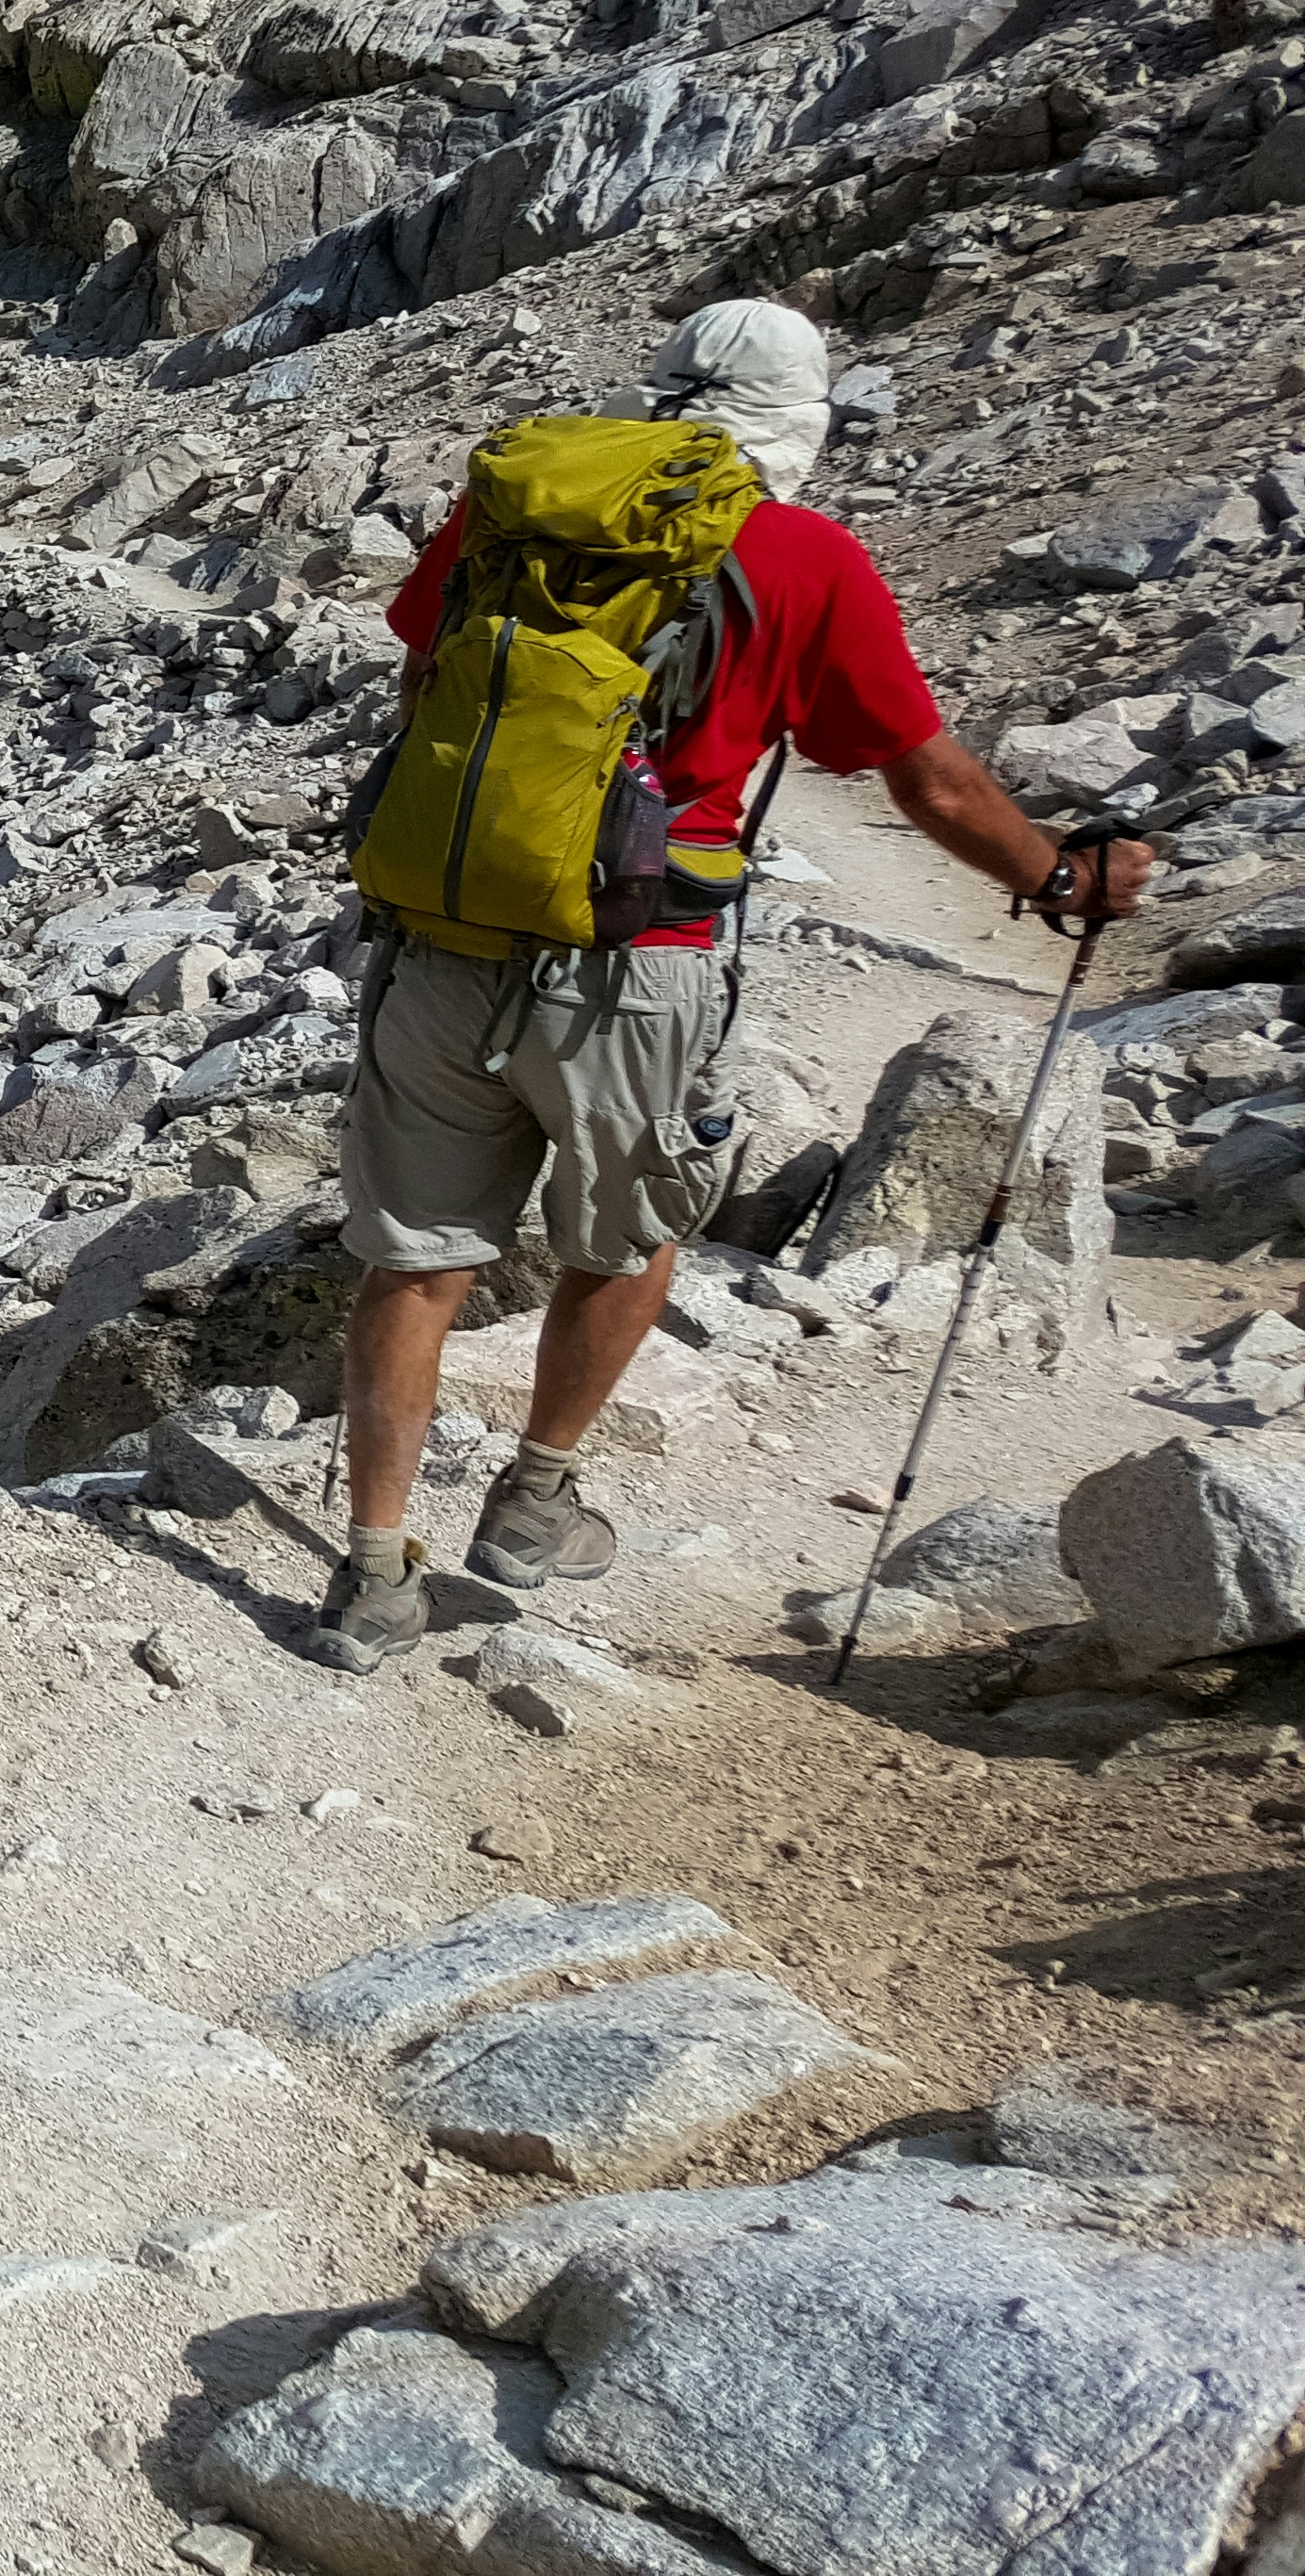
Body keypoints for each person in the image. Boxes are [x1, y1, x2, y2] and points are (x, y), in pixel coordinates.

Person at [310, 299, 1149, 1670]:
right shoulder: (806, 557)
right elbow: (924, 779)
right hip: (645, 960)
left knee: (415, 1259)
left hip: (447, 947)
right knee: (632, 1231)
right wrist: (1054, 877)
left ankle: (370, 1576)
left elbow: (423, 680)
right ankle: (531, 1502)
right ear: (798, 426)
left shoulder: (509, 516)